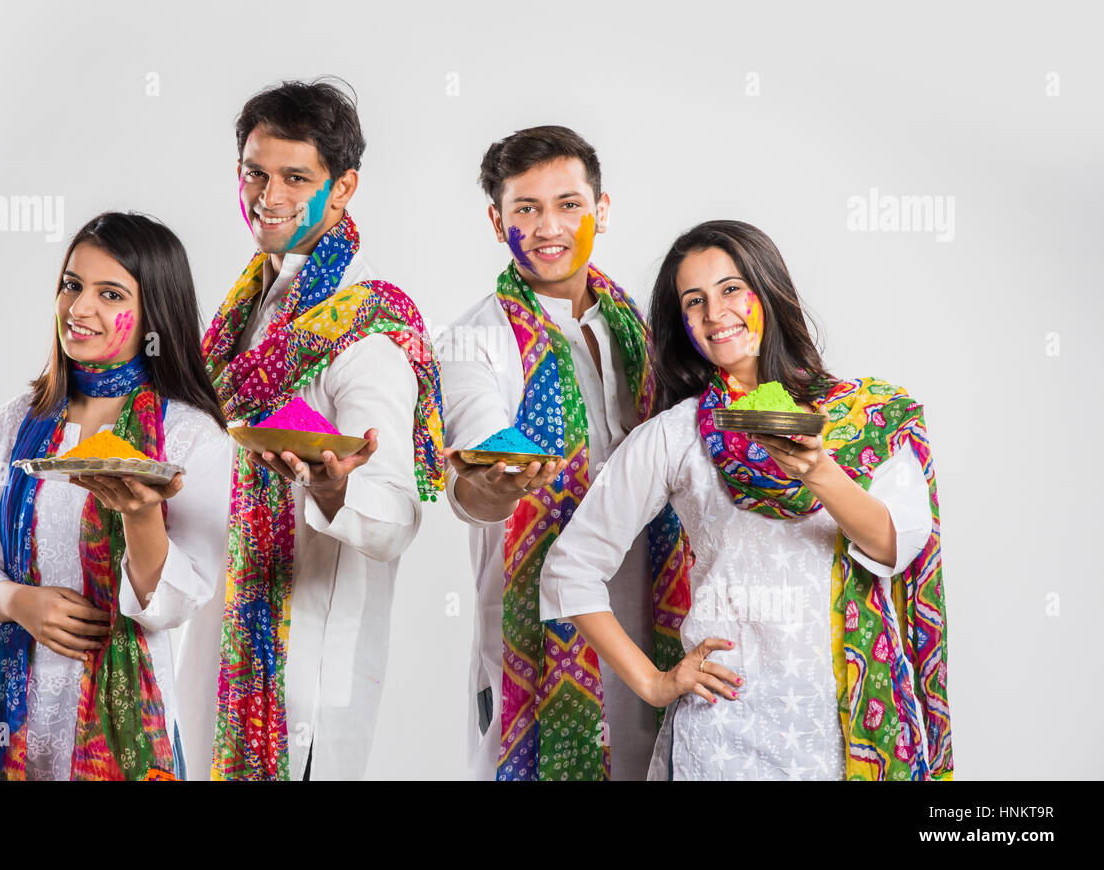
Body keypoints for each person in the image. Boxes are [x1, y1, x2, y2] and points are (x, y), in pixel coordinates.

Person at [539, 219, 952, 780]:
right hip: (724, 735)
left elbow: (894, 545)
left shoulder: (867, 417)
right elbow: (569, 568)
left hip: (847, 731)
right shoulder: (675, 435)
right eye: (694, 301)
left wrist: (819, 471)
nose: (715, 314)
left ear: (768, 289)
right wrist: (657, 684)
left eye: (731, 289)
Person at [177, 78, 444, 781]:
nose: (269, 195)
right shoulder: (246, 309)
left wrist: (332, 490)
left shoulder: (365, 326)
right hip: (218, 642)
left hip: (301, 671)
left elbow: (394, 513)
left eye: (297, 177)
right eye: (255, 173)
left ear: (344, 186)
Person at [0, 212, 233, 780]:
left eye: (110, 293)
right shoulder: (14, 424)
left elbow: (175, 603)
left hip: (121, 717)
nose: (79, 308)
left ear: (154, 314)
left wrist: (143, 511)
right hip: (17, 706)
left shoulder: (188, 436)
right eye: (72, 285)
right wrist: (15, 603)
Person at [438, 125, 691, 780]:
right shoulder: (475, 340)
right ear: (498, 222)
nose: (549, 225)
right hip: (534, 642)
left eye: (568, 203)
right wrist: (499, 480)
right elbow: (476, 470)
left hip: (653, 630)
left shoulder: (647, 331)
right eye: (526, 208)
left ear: (600, 211)